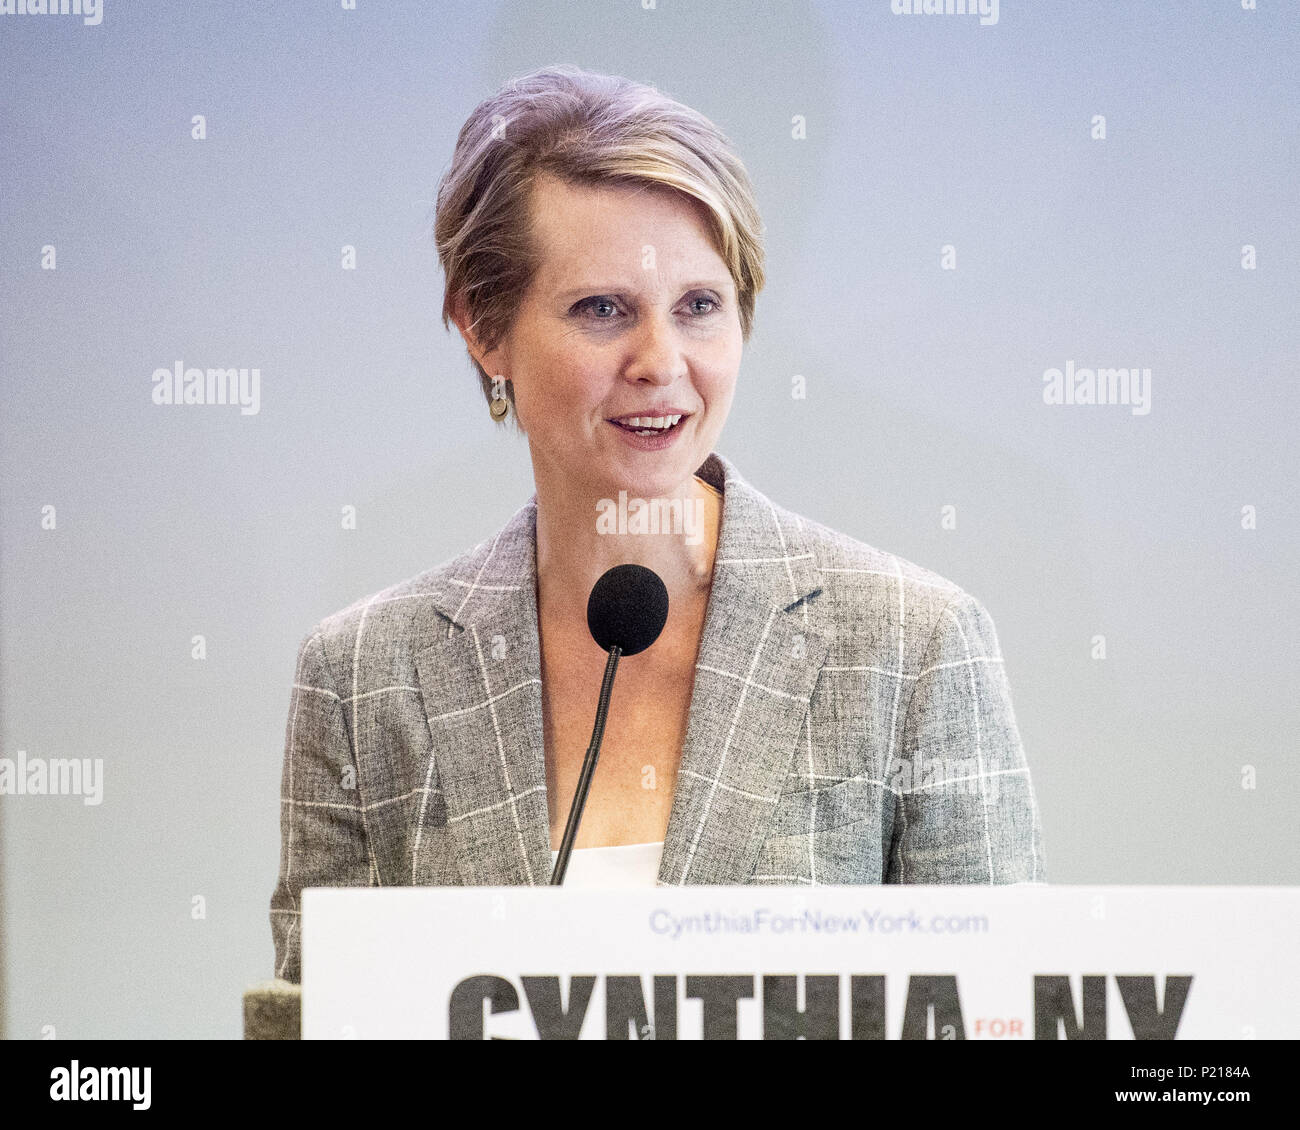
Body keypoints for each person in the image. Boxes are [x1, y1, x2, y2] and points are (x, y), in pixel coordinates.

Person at [270, 64, 1045, 983]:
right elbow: (319, 1020)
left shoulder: (914, 647)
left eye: (699, 307)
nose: (661, 362)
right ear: (483, 325)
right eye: (602, 310)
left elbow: (1003, 1013)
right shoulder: (363, 676)